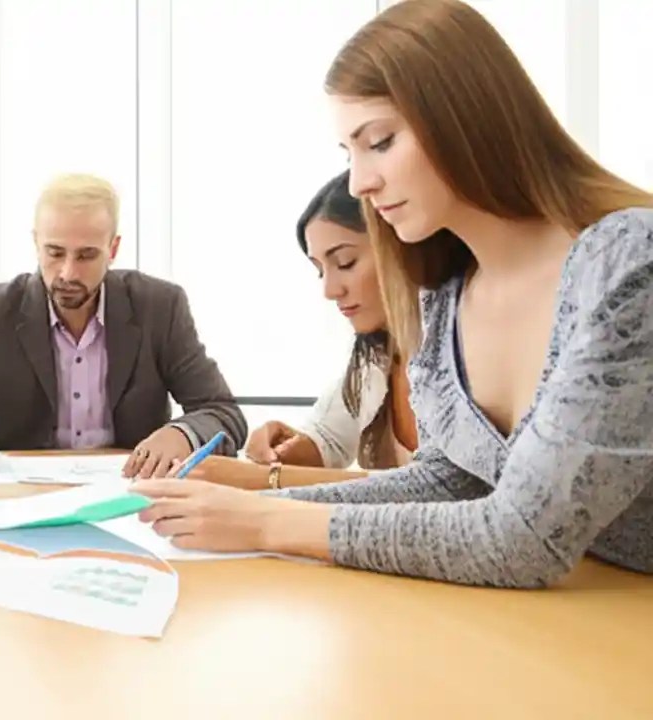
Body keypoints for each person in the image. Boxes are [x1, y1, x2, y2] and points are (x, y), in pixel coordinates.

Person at [134, 0, 653, 588]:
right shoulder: (447, 297)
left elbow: (523, 538)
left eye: (379, 141)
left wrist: (264, 519)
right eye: (348, 153)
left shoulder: (626, 263)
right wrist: (239, 504)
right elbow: (447, 482)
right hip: (591, 616)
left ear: (466, 117)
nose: (360, 181)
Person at [0, 173, 247, 478]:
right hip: (23, 490)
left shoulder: (159, 307)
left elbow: (223, 414)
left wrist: (181, 435)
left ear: (112, 249)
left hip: (132, 491)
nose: (68, 273)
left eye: (86, 255)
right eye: (55, 252)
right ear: (36, 243)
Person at [185, 171, 417, 489]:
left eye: (346, 262)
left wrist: (270, 478)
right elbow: (330, 441)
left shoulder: (464, 350)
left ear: (402, 246)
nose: (330, 290)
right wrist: (288, 450)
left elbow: (438, 488)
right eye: (320, 270)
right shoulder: (375, 356)